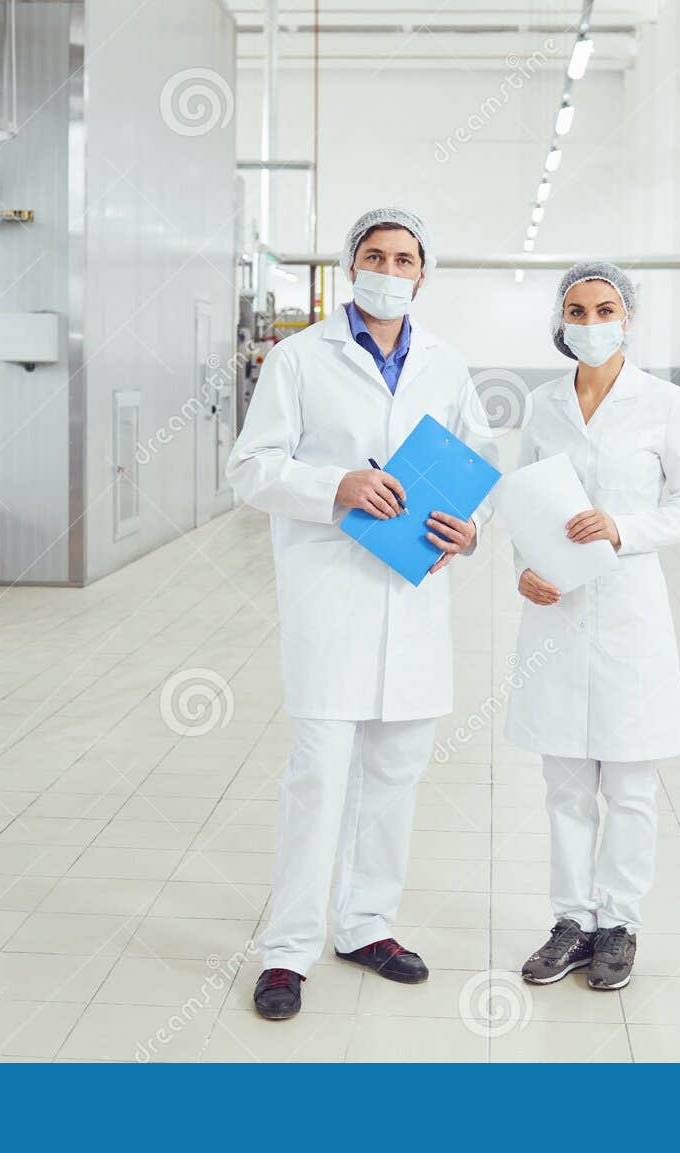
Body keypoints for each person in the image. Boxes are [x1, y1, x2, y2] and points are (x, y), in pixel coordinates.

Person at [227, 207, 496, 1020]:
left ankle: (367, 923)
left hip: (413, 600)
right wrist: (333, 485)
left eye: (403, 256)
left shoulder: (447, 364)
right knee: (318, 774)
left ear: (423, 273)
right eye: (373, 254)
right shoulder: (300, 356)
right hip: (331, 594)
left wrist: (470, 529)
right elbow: (250, 468)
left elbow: (475, 460)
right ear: (353, 268)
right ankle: (286, 949)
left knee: (396, 773)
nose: (388, 266)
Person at [506, 261, 680, 991]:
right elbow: (519, 498)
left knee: (628, 783)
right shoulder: (542, 403)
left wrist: (621, 528)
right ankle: (572, 921)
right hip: (556, 609)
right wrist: (524, 567)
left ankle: (618, 923)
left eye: (604, 308)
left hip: (629, 610)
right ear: (559, 323)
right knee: (563, 782)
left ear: (628, 318)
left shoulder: (664, 403)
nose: (590, 323)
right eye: (576, 310)